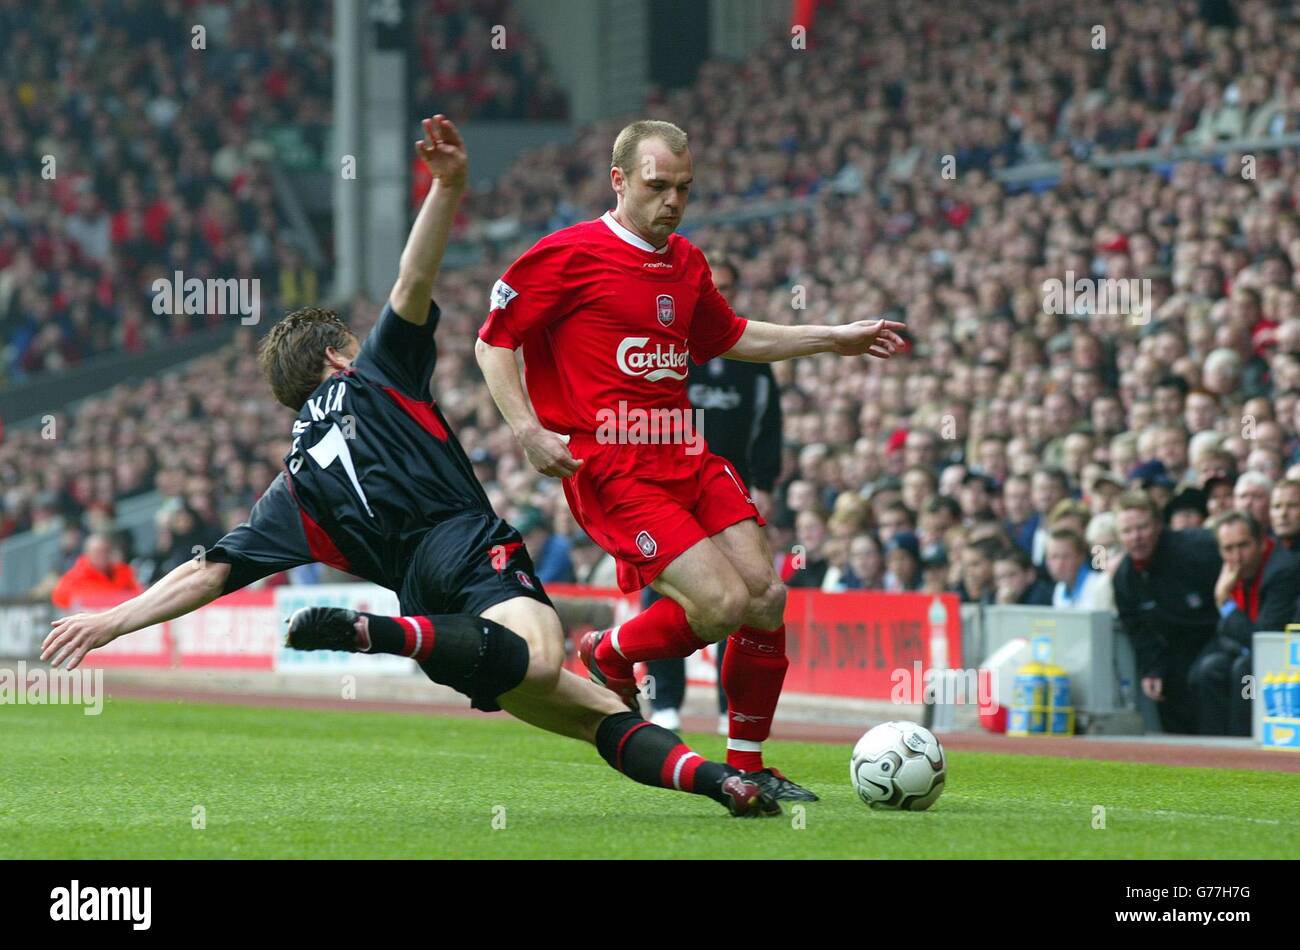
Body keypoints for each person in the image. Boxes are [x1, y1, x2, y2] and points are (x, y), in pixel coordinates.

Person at [41, 116, 778, 820]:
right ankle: (375, 635)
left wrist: (113, 621)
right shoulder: (375, 377)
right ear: (337, 355)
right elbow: (411, 278)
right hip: (467, 551)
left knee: (594, 712)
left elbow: (209, 570)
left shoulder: (293, 485)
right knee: (544, 656)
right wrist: (447, 188)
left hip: (427, 607)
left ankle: (726, 786)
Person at [475, 119, 906, 802]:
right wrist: (526, 428)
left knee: (766, 597)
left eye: (683, 188)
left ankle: (751, 763)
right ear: (619, 181)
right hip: (613, 468)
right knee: (723, 603)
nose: (672, 201)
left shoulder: (687, 261)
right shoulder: (566, 255)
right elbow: (493, 343)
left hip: (688, 454)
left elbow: (732, 336)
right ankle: (611, 652)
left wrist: (832, 337)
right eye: (657, 186)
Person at [643, 256, 784, 735]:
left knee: (748, 590)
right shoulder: (671, 350)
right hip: (670, 486)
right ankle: (664, 699)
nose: (717, 294)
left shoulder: (753, 364)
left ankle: (731, 705)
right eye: (712, 286)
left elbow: (770, 426)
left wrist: (763, 482)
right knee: (668, 587)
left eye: (725, 287)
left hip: (731, 491)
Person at [1112, 491, 1222, 734]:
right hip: (1175, 649)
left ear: (1158, 525)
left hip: (1217, 634)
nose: (1136, 537)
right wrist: (1151, 668)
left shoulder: (1197, 549)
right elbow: (1137, 628)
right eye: (1127, 531)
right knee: (1165, 684)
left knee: (1207, 673)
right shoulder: (1124, 577)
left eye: (1142, 528)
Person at [1191, 510, 1300, 736]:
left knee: (1245, 675)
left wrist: (1225, 601)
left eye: (1243, 546)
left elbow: (1262, 641)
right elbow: (1226, 633)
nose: (1237, 557)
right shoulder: (1230, 570)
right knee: (1207, 671)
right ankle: (1212, 749)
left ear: (1261, 543)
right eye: (1228, 549)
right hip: (1247, 648)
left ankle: (1241, 747)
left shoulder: (1283, 570)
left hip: (1282, 659)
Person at [50, 533, 142, 609]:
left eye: (105, 551)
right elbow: (59, 600)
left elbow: (138, 594)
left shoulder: (123, 571)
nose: (102, 555)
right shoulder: (74, 577)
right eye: (97, 551)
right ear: (87, 554)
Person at [1045, 528, 1114, 611]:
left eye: (1066, 556)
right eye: (1054, 557)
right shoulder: (1059, 589)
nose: (1059, 564)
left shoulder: (1100, 585)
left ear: (1081, 557)